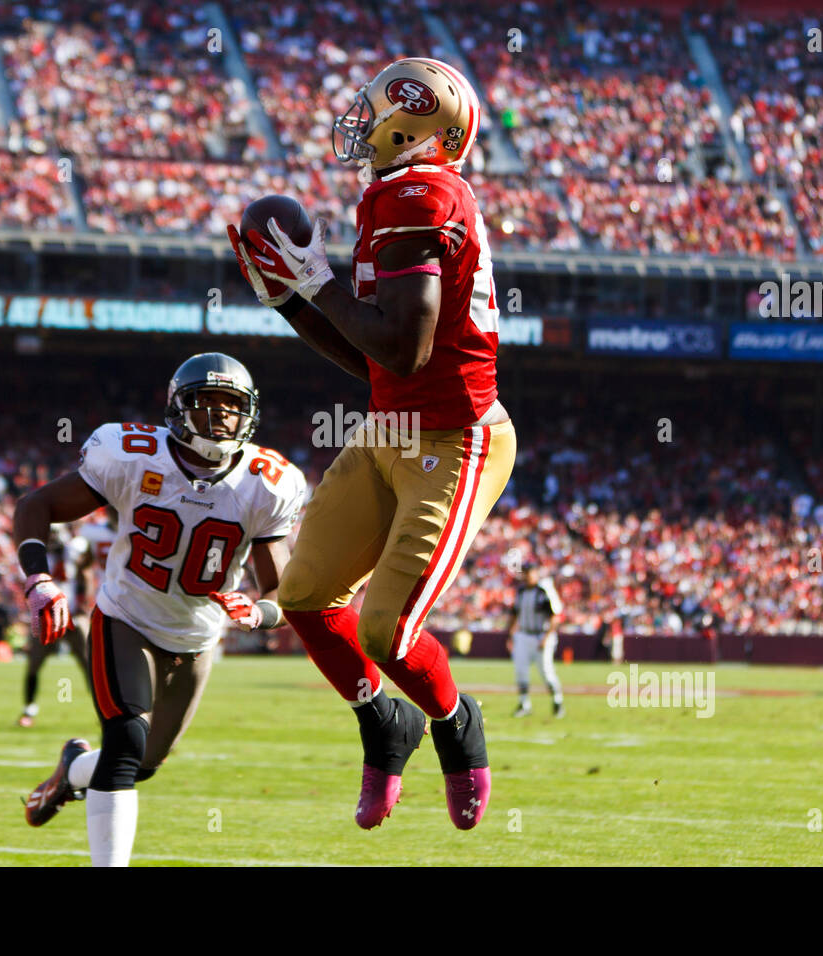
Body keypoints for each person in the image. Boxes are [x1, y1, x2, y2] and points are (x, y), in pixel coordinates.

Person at [229, 57, 515, 830]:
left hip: (456, 439)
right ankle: (384, 725)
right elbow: (371, 360)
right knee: (304, 594)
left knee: (388, 629)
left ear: (412, 124)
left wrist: (315, 278)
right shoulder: (391, 196)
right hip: (390, 427)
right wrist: (293, 301)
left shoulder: (421, 194)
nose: (358, 120)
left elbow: (409, 349)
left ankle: (458, 725)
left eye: (374, 109)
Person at [16, 353, 306, 867]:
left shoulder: (267, 482)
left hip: (196, 636)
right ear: (177, 408)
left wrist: (259, 613)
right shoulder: (132, 454)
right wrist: (40, 579)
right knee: (126, 742)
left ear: (250, 414)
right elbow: (35, 506)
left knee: (144, 763)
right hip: (126, 615)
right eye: (206, 404)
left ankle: (72, 771)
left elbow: (281, 591)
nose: (220, 418)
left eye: (232, 406)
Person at [17, 527, 89, 728]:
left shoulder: (73, 550)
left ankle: (104, 711)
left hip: (72, 615)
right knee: (34, 664)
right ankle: (29, 709)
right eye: (51, 535)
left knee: (90, 664)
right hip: (47, 618)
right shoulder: (38, 559)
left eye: (56, 534)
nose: (54, 539)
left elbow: (86, 564)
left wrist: (84, 603)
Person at [506, 563, 565, 718]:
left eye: (530, 573)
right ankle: (524, 704)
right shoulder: (520, 592)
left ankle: (557, 702)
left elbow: (555, 617)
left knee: (546, 672)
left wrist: (546, 637)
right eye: (525, 573)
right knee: (521, 671)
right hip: (523, 635)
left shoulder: (543, 592)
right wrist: (511, 635)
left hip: (541, 635)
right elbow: (514, 614)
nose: (527, 576)